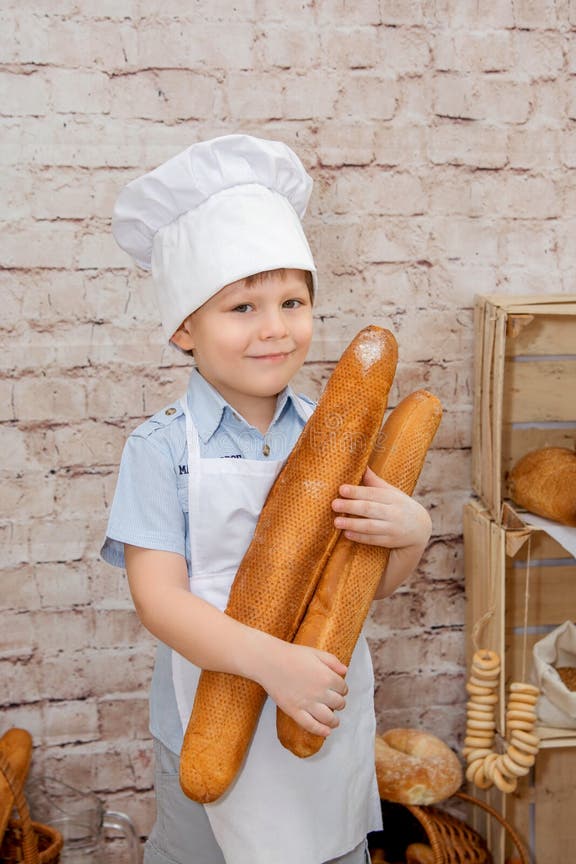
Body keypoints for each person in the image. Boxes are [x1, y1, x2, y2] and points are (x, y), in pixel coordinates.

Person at [101, 134, 432, 864]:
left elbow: (362, 580)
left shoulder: (339, 433)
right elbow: (162, 602)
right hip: (204, 706)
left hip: (320, 698)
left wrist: (410, 533)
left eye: (292, 300)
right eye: (242, 308)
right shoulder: (159, 449)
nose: (275, 327)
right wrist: (269, 665)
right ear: (185, 329)